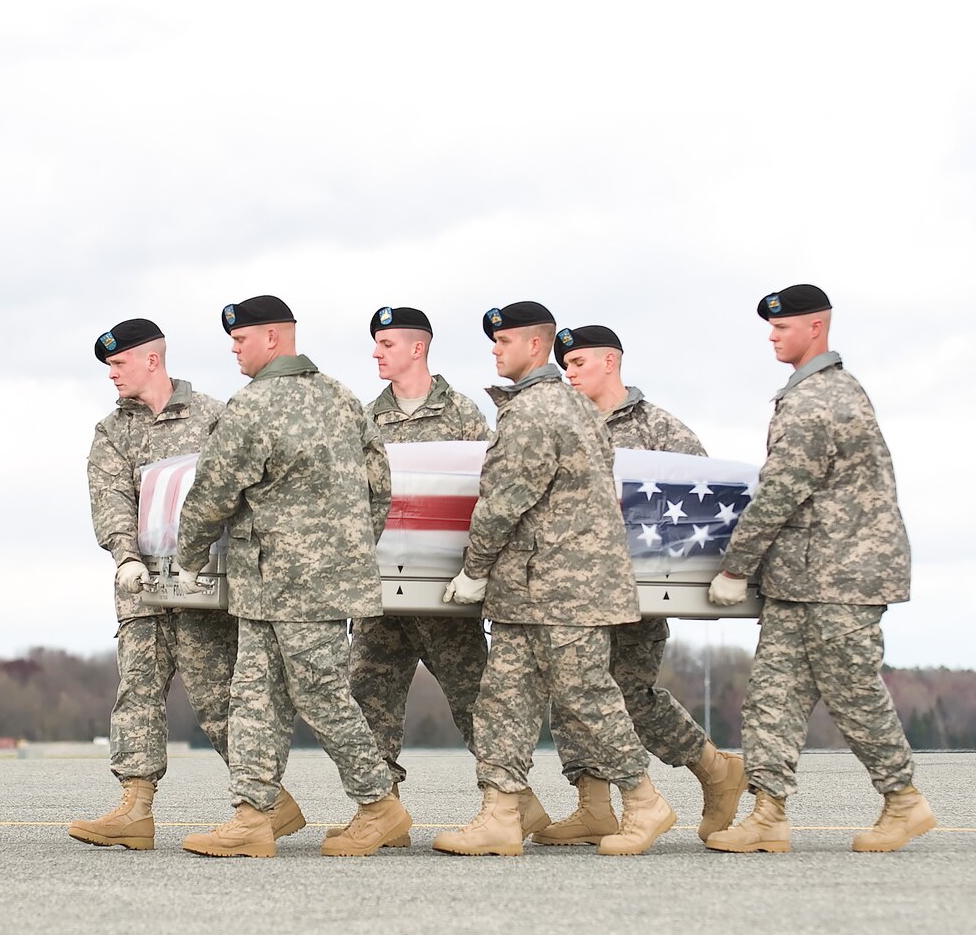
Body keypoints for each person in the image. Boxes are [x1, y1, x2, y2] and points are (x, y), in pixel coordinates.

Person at [432, 302, 675, 857]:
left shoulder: (536, 411)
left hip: (565, 587)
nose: (496, 348)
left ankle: (644, 801)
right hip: (533, 588)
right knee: (502, 701)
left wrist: (473, 571)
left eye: (505, 340)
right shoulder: (571, 405)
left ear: (534, 347)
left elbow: (504, 502)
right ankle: (499, 813)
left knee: (587, 697)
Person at [174, 296, 408, 858]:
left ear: (274, 338)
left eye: (241, 339)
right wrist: (347, 550)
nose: (234, 349)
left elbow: (212, 494)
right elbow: (380, 488)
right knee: (254, 694)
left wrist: (188, 557)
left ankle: (379, 805)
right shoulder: (344, 399)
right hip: (308, 582)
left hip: (281, 579)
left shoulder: (252, 408)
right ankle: (252, 817)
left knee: (320, 693)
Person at [705, 284, 933, 854]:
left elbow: (781, 492)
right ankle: (767, 814)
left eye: (783, 327)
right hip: (801, 578)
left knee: (853, 692)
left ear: (817, 328)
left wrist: (736, 567)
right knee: (772, 696)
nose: (773, 336)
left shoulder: (817, 400)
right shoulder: (814, 393)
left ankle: (904, 801)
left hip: (840, 576)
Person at [69, 319, 271, 850]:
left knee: (217, 700)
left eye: (118, 364)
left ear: (151, 360)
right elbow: (109, 498)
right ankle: (135, 810)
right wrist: (124, 557)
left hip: (206, 584)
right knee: (137, 692)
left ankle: (266, 803)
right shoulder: (113, 431)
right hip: (141, 587)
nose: (111, 374)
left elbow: (242, 489)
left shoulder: (212, 415)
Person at [542, 324, 745, 845]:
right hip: (573, 586)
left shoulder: (660, 428)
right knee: (570, 692)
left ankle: (715, 770)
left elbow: (704, 503)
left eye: (579, 362)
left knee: (629, 695)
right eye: (565, 364)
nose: (570, 372)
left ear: (611, 362)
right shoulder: (564, 424)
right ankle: (593, 806)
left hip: (640, 591)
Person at [346, 306, 498, 826]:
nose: (376, 353)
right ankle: (380, 810)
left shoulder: (464, 414)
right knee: (369, 695)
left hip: (443, 591)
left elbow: (483, 494)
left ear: (417, 347)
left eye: (386, 344)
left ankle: (508, 802)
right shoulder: (364, 418)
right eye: (376, 343)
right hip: (381, 588)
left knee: (475, 695)